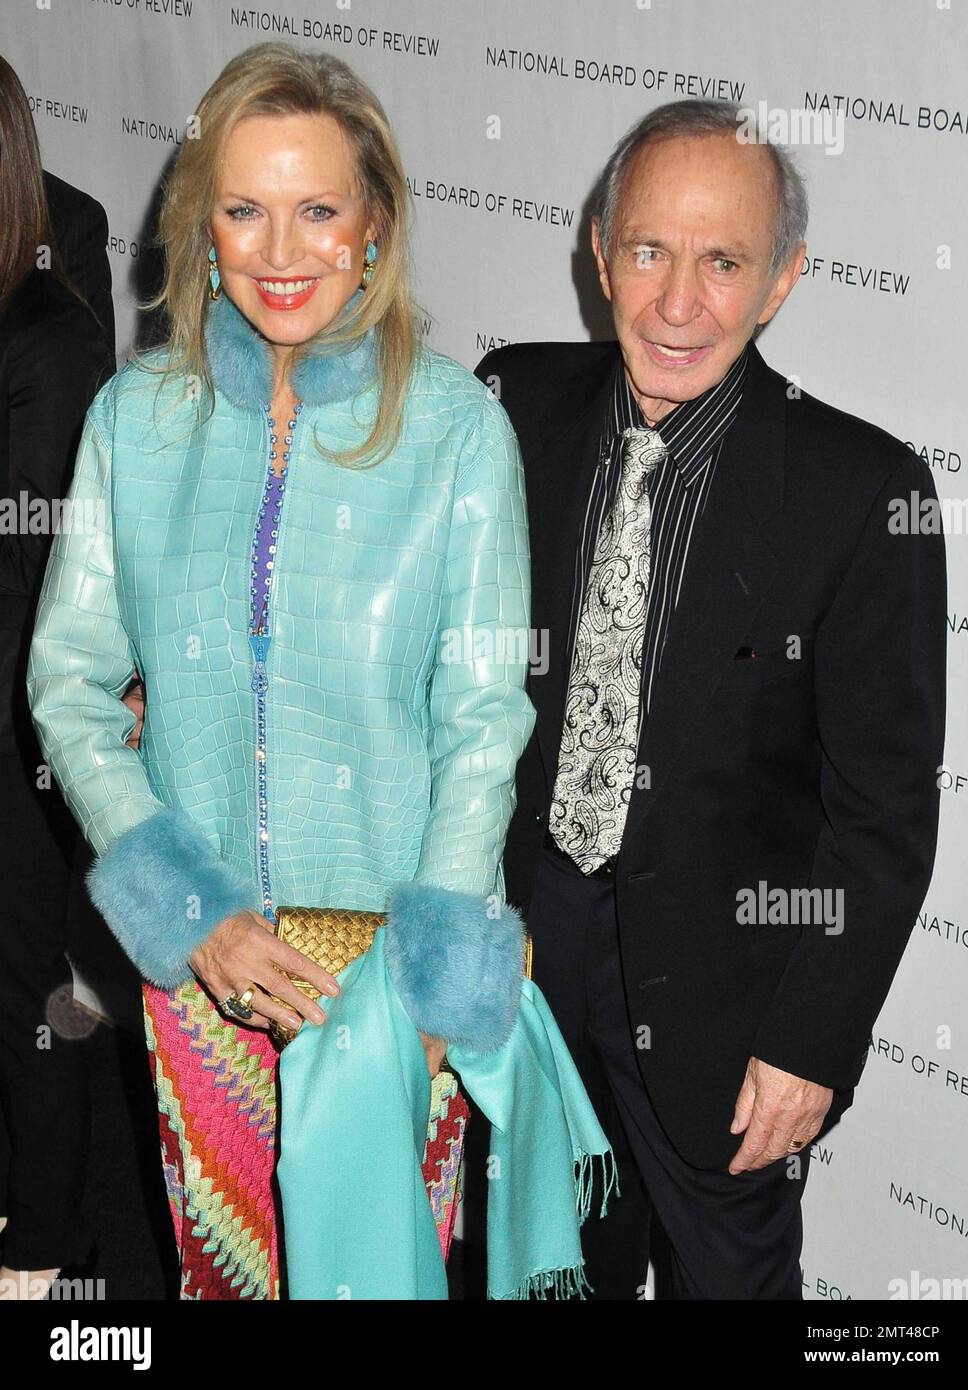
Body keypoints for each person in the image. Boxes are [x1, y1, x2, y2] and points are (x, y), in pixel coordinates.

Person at [27, 42, 613, 1302]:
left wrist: (436, 951)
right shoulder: (134, 422)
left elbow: (479, 718)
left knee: (374, 1276)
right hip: (206, 974)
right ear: (203, 224)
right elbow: (70, 688)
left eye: (316, 208)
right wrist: (191, 915)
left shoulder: (456, 430)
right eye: (242, 209)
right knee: (223, 1273)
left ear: (374, 222)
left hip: (388, 972)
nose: (278, 248)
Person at [476, 98, 947, 1300]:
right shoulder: (506, 406)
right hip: (524, 949)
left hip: (728, 999)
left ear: (780, 277)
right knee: (542, 1272)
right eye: (647, 251)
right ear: (597, 250)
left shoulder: (858, 490)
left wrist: (807, 1042)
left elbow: (880, 812)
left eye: (722, 261)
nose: (677, 303)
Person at [0, 55, 115, 1299]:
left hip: (20, 734)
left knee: (33, 997)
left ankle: (47, 1251)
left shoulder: (51, 332)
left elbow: (28, 577)